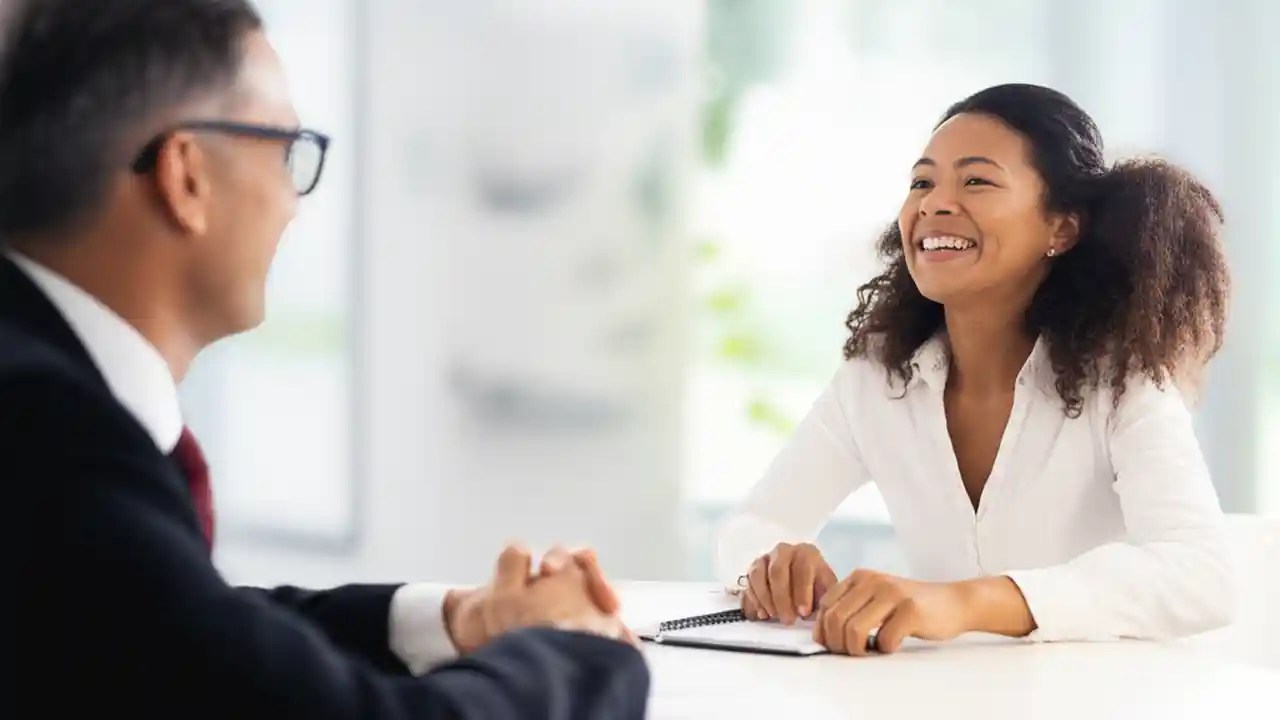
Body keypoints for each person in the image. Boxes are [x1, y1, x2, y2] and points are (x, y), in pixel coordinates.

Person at [1, 1, 647, 717]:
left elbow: (181, 636)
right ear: (186, 175)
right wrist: (572, 645)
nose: (293, 204)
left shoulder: (44, 408)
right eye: (286, 151)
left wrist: (458, 619)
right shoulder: (52, 439)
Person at [715, 83, 1236, 656]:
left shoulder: (1122, 381)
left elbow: (1200, 577)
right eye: (922, 183)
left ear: (1061, 228)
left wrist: (965, 603)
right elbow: (754, 527)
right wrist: (773, 568)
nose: (934, 204)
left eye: (977, 181)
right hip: (937, 695)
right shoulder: (877, 378)